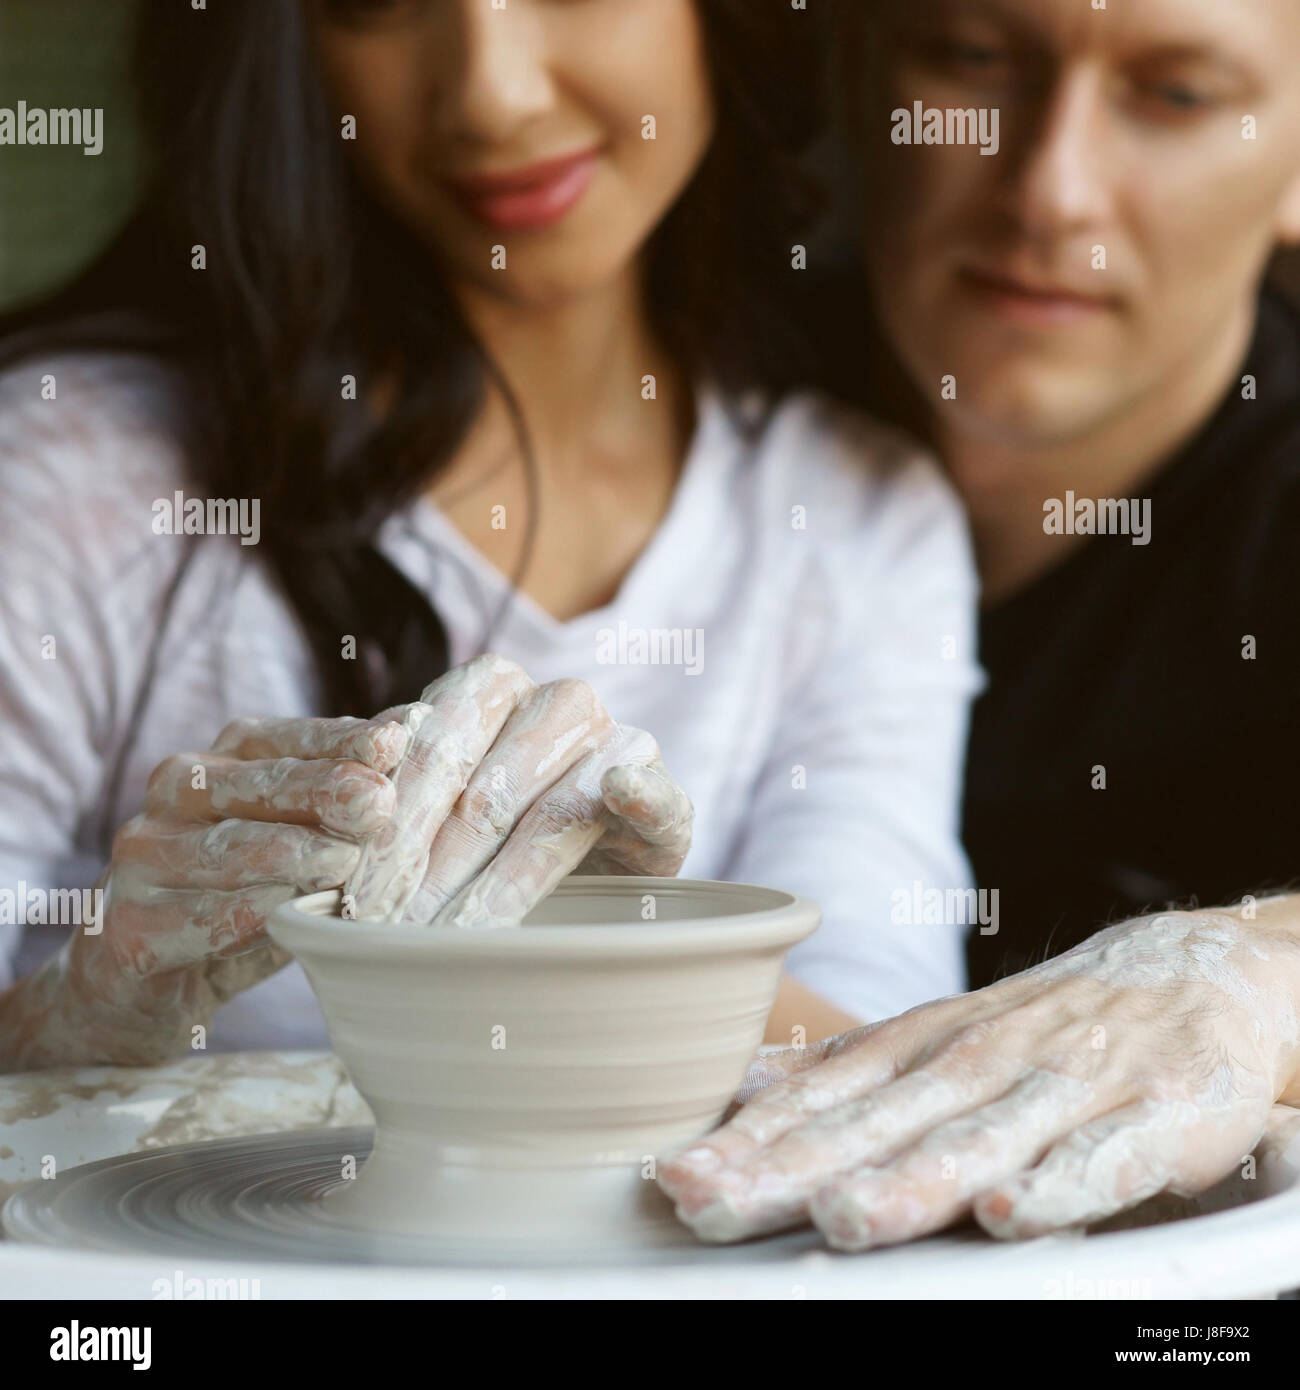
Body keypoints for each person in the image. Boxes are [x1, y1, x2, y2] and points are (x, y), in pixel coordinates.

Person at [0, 0, 979, 1066]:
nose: (490, 94)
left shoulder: (854, 525)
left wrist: (608, 947)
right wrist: (77, 1021)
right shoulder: (68, 478)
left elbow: (893, 1068)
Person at [660, 0, 1300, 1249]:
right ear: (857, 77)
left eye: (1172, 93)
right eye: (973, 59)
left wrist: (1260, 971)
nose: (1049, 191)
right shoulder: (663, 403)